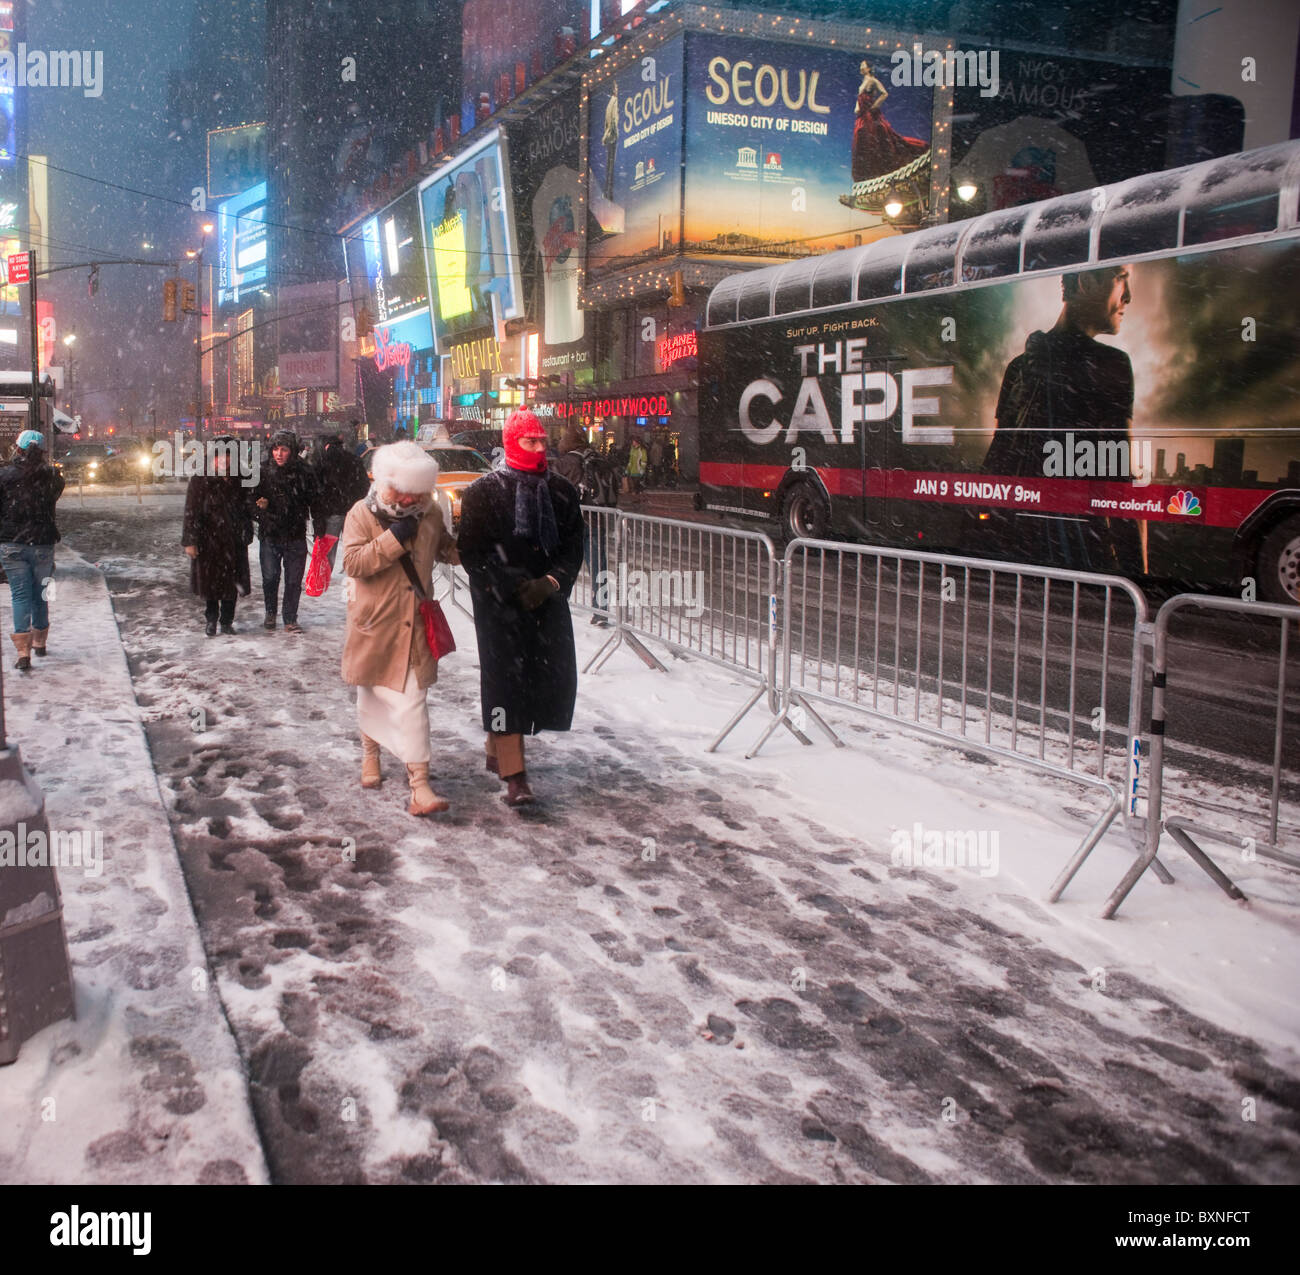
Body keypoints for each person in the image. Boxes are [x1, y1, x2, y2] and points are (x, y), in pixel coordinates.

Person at [458, 408, 584, 807]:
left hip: (546, 603)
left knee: (543, 680)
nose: (540, 447)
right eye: (531, 441)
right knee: (504, 685)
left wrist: (550, 583)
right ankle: (516, 776)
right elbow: (472, 551)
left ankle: (498, 749)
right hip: (499, 607)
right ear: (514, 442)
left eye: (543, 440)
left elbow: (573, 547)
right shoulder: (483, 491)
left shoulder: (562, 491)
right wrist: (507, 584)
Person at [983, 264, 1141, 572]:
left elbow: (997, 462)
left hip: (1019, 535)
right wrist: (1138, 575)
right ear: (1085, 281)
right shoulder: (1112, 363)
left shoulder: (1020, 366)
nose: (1128, 297)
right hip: (1082, 543)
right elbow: (1120, 479)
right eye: (1121, 278)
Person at [341, 441, 460, 816]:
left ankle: (419, 785)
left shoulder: (430, 514)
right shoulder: (361, 513)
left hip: (413, 624)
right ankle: (370, 755)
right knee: (371, 695)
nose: (409, 501)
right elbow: (354, 563)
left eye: (417, 494)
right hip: (374, 623)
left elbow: (445, 549)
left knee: (412, 703)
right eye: (402, 492)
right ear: (386, 483)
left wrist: (477, 546)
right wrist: (393, 539)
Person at [0, 429, 63, 670]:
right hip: (43, 543)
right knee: (42, 594)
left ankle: (23, 652)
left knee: (20, 595)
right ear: (44, 450)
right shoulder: (52, 477)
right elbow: (52, 497)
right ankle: (40, 642)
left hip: (12, 543)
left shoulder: (4, 476)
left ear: (17, 448)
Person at [182, 436, 253, 635]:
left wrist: (248, 528)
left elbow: (248, 507)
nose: (224, 460)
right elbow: (191, 511)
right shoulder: (200, 479)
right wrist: (190, 541)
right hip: (208, 541)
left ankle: (227, 621)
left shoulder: (242, 478)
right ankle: (211, 619)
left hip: (234, 540)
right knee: (211, 583)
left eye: (229, 456)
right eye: (220, 455)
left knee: (232, 584)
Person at [251, 428, 320, 633]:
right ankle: (270, 613)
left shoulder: (305, 472)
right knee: (270, 576)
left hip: (295, 533)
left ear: (292, 451)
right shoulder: (262, 471)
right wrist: (260, 511)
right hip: (270, 534)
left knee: (293, 579)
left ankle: (290, 617)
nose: (279, 454)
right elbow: (249, 500)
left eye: (283, 449)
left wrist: (319, 525)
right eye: (275, 449)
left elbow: (314, 501)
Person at [552, 425, 619, 626]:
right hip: (597, 520)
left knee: (564, 567)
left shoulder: (563, 464)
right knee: (599, 569)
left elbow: (553, 494)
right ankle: (601, 611)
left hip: (571, 524)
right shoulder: (599, 461)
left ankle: (559, 605)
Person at [852, 63, 928, 184]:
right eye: (860, 65)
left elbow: (884, 93)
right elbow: (860, 97)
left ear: (868, 68)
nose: (861, 67)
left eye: (863, 65)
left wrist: (875, 105)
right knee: (861, 139)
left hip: (869, 114)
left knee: (873, 138)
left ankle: (878, 164)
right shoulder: (864, 81)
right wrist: (857, 107)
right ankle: (866, 170)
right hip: (862, 114)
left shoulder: (873, 80)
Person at [313, 432, 370, 568]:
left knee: (328, 550)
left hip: (332, 511)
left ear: (326, 446)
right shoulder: (354, 460)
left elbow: (316, 491)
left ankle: (324, 575)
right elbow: (364, 485)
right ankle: (357, 574)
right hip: (352, 511)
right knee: (355, 546)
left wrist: (319, 516)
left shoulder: (322, 463)